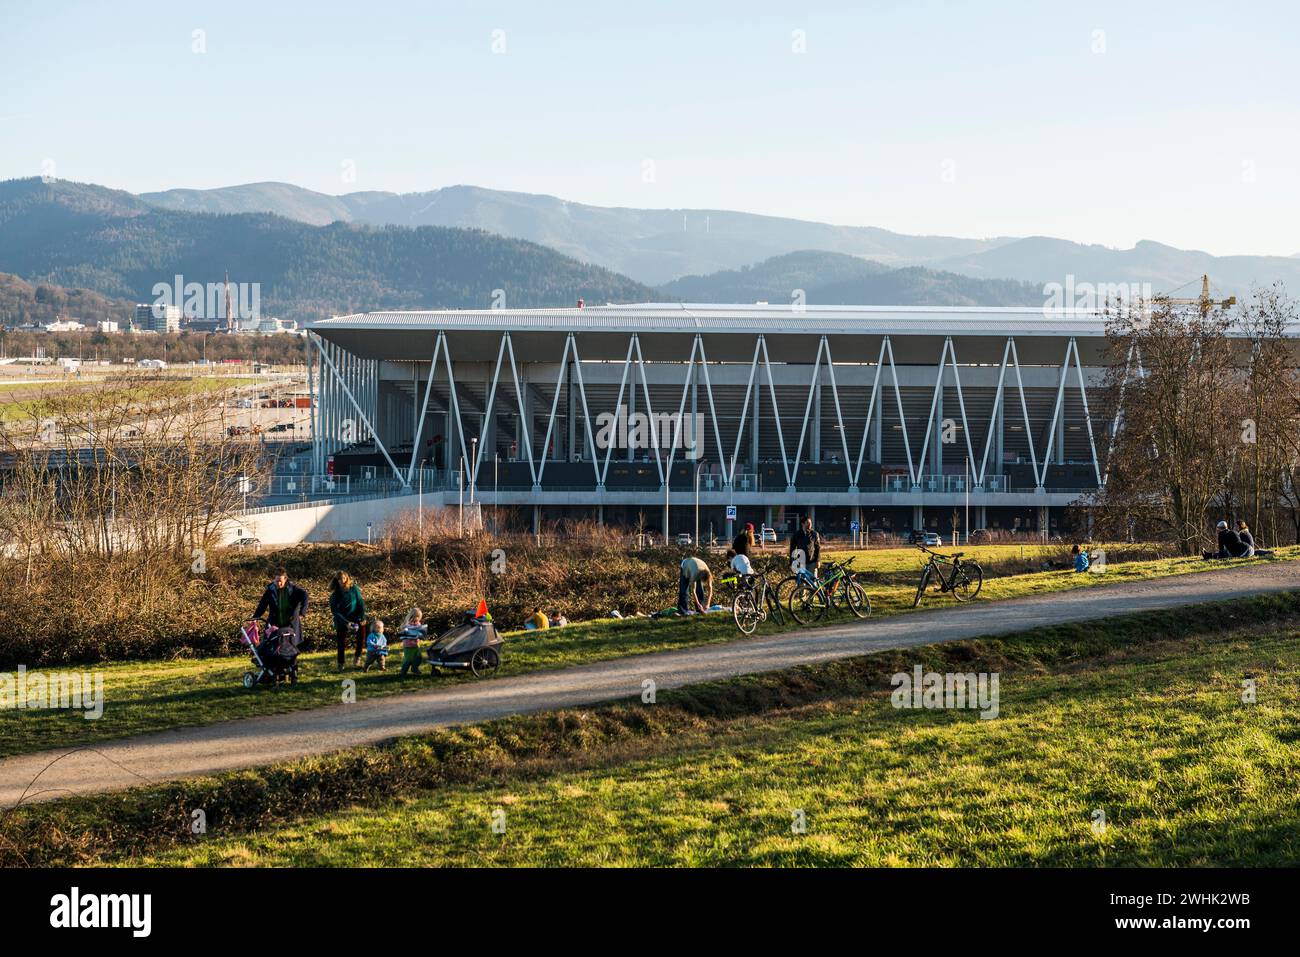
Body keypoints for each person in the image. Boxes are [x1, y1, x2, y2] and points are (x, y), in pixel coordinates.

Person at [254, 567, 309, 644]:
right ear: (274, 580)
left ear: (285, 579)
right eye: (276, 581)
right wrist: (255, 617)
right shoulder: (270, 591)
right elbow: (262, 605)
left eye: (280, 581)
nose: (278, 583)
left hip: (290, 623)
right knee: (274, 644)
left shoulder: (294, 589)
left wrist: (302, 612)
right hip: (275, 623)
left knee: (291, 644)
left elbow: (305, 595)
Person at [328, 570, 367, 671]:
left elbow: (360, 603)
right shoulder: (334, 595)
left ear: (347, 578)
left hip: (356, 616)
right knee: (341, 641)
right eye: (340, 579)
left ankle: (357, 659)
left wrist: (362, 617)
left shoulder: (354, 589)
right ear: (337, 580)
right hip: (341, 620)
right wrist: (346, 623)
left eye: (344, 578)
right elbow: (335, 612)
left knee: (361, 637)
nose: (342, 581)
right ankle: (341, 664)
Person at [789, 517, 821, 583]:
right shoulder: (796, 535)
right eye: (808, 523)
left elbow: (818, 548)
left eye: (810, 523)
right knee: (801, 584)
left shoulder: (815, 534)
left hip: (812, 562)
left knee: (813, 584)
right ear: (802, 524)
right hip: (800, 563)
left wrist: (818, 560)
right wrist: (791, 562)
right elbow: (792, 549)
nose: (810, 525)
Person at [397, 608, 427, 675]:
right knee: (408, 659)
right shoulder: (407, 624)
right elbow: (403, 631)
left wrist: (422, 634)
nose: (417, 618)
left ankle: (414, 668)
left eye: (419, 617)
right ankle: (403, 671)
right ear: (411, 616)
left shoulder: (418, 623)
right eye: (416, 616)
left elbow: (420, 632)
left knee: (419, 657)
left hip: (416, 644)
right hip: (408, 645)